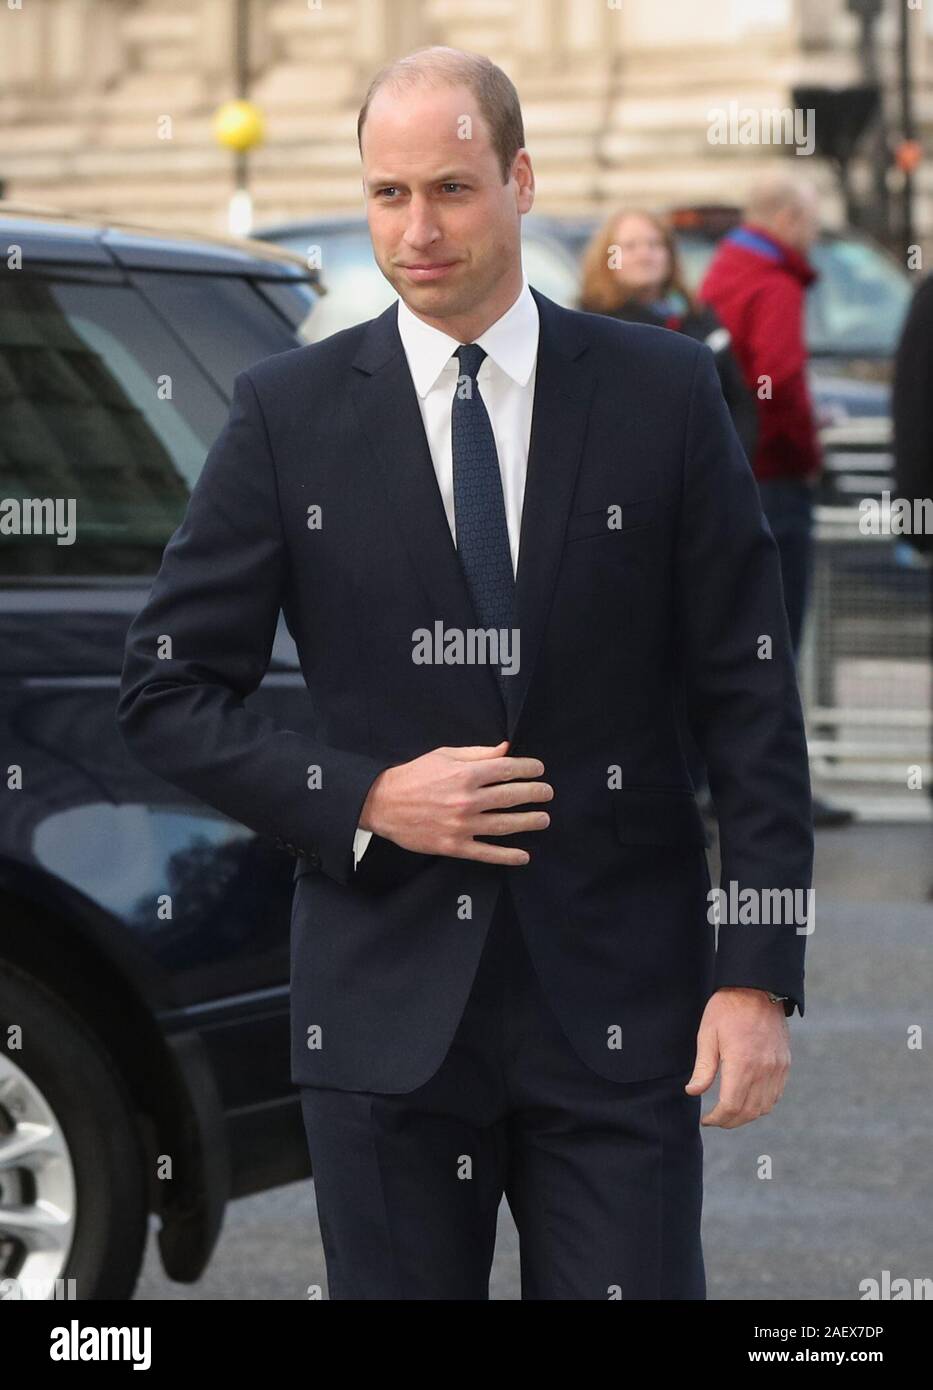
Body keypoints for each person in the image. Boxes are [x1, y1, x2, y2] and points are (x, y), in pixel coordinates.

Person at [117, 46, 813, 1300]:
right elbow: (166, 692)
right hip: (382, 1018)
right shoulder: (289, 412)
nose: (416, 229)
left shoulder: (663, 392)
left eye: (450, 187)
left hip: (620, 1010)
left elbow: (749, 698)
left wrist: (756, 975)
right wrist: (367, 796)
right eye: (388, 194)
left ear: (522, 180)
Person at [700, 175, 853, 828]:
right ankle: (775, 791)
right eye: (811, 223)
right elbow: (780, 381)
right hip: (773, 482)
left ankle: (718, 783)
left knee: (732, 640)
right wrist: (806, 453)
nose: (813, 237)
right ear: (788, 218)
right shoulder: (774, 283)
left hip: (726, 481)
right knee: (777, 641)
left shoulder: (721, 273)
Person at [580, 208, 758, 460]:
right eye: (630, 247)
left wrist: (730, 462)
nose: (645, 255)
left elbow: (738, 402)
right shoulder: (591, 325)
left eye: (655, 244)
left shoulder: (699, 319)